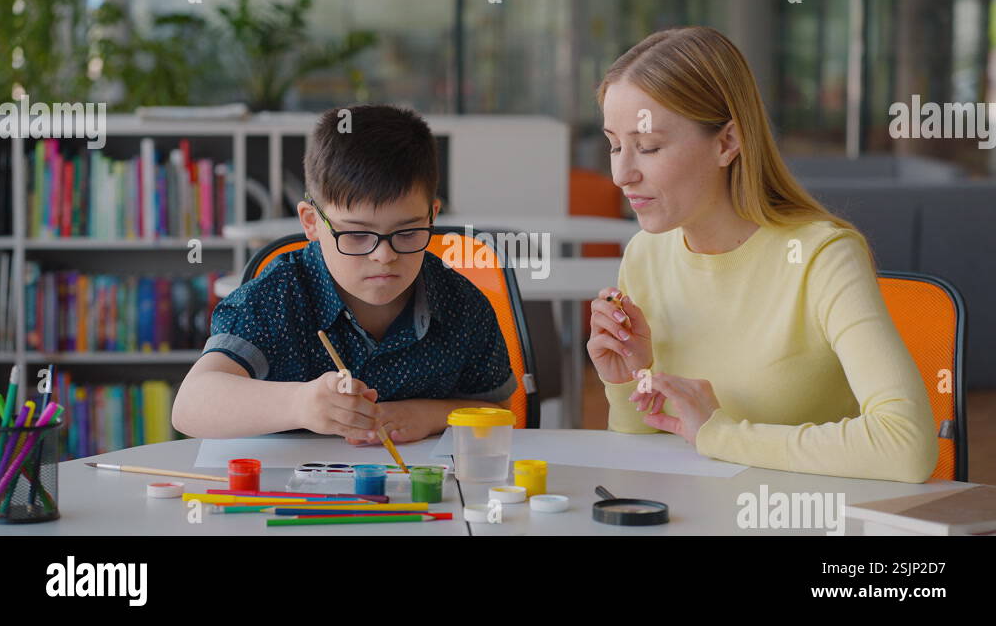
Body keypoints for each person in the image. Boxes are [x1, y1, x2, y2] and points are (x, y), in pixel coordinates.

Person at [587, 27, 938, 483]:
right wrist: (630, 377)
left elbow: (906, 445)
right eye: (615, 145)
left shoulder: (822, 257)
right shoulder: (645, 254)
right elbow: (647, 453)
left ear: (727, 143)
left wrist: (721, 434)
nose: (621, 174)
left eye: (648, 147)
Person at [172, 104, 516, 442]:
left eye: (408, 233)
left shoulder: (462, 304)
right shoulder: (275, 299)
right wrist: (299, 404)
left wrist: (426, 414)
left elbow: (501, 410)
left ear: (432, 216)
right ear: (311, 222)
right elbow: (191, 406)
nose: (385, 255)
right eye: (356, 234)